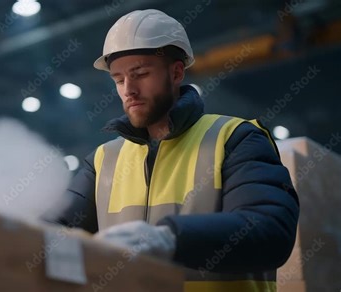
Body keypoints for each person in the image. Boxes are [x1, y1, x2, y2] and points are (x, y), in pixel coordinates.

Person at [43, 9, 299, 292]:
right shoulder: (104, 160)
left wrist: (171, 239)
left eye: (140, 73)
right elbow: (50, 231)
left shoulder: (234, 139)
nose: (128, 89)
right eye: (118, 79)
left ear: (176, 72)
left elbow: (270, 231)